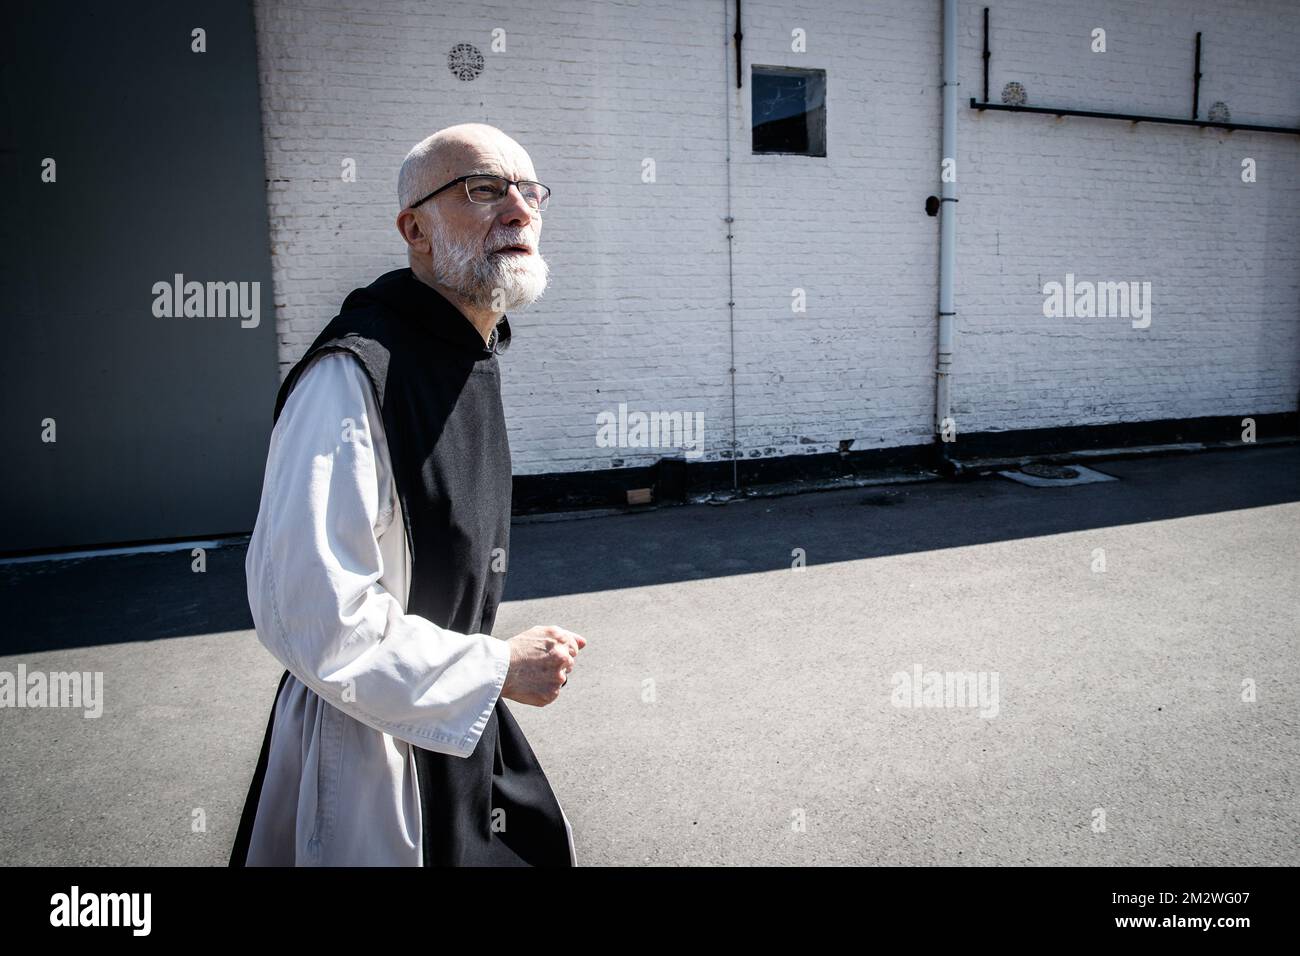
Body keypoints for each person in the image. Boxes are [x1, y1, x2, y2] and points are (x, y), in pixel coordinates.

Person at [228, 123, 586, 866]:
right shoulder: (351, 377)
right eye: (484, 190)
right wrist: (495, 666)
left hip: (452, 727)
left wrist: (485, 664)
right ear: (414, 228)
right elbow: (315, 615)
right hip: (368, 753)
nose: (518, 210)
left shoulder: (463, 351)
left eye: (529, 191)